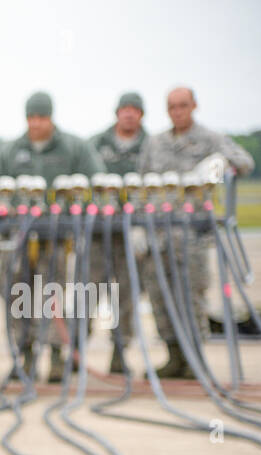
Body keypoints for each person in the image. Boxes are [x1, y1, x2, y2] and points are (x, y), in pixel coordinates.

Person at [0, 92, 104, 383]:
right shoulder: (10, 150)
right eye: (31, 118)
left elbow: (97, 184)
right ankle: (23, 354)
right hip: (20, 238)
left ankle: (56, 356)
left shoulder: (74, 147)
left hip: (56, 240)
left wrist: (78, 211)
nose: (36, 123)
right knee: (16, 293)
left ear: (51, 117)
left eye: (41, 117)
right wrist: (1, 209)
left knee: (53, 295)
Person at [139, 86, 256, 379]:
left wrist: (220, 165)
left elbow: (244, 162)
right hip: (159, 238)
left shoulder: (211, 140)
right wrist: (139, 225)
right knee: (160, 297)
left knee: (192, 297)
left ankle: (194, 359)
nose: (177, 111)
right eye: (172, 107)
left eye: (183, 105)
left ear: (194, 106)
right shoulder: (155, 143)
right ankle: (174, 356)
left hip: (191, 238)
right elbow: (140, 185)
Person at [88, 92, 149, 374]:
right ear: (116, 113)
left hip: (130, 233)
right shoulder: (96, 144)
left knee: (125, 293)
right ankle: (75, 351)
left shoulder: (151, 145)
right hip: (98, 234)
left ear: (141, 114)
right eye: (124, 109)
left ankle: (120, 351)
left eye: (134, 110)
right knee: (87, 292)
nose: (128, 114)